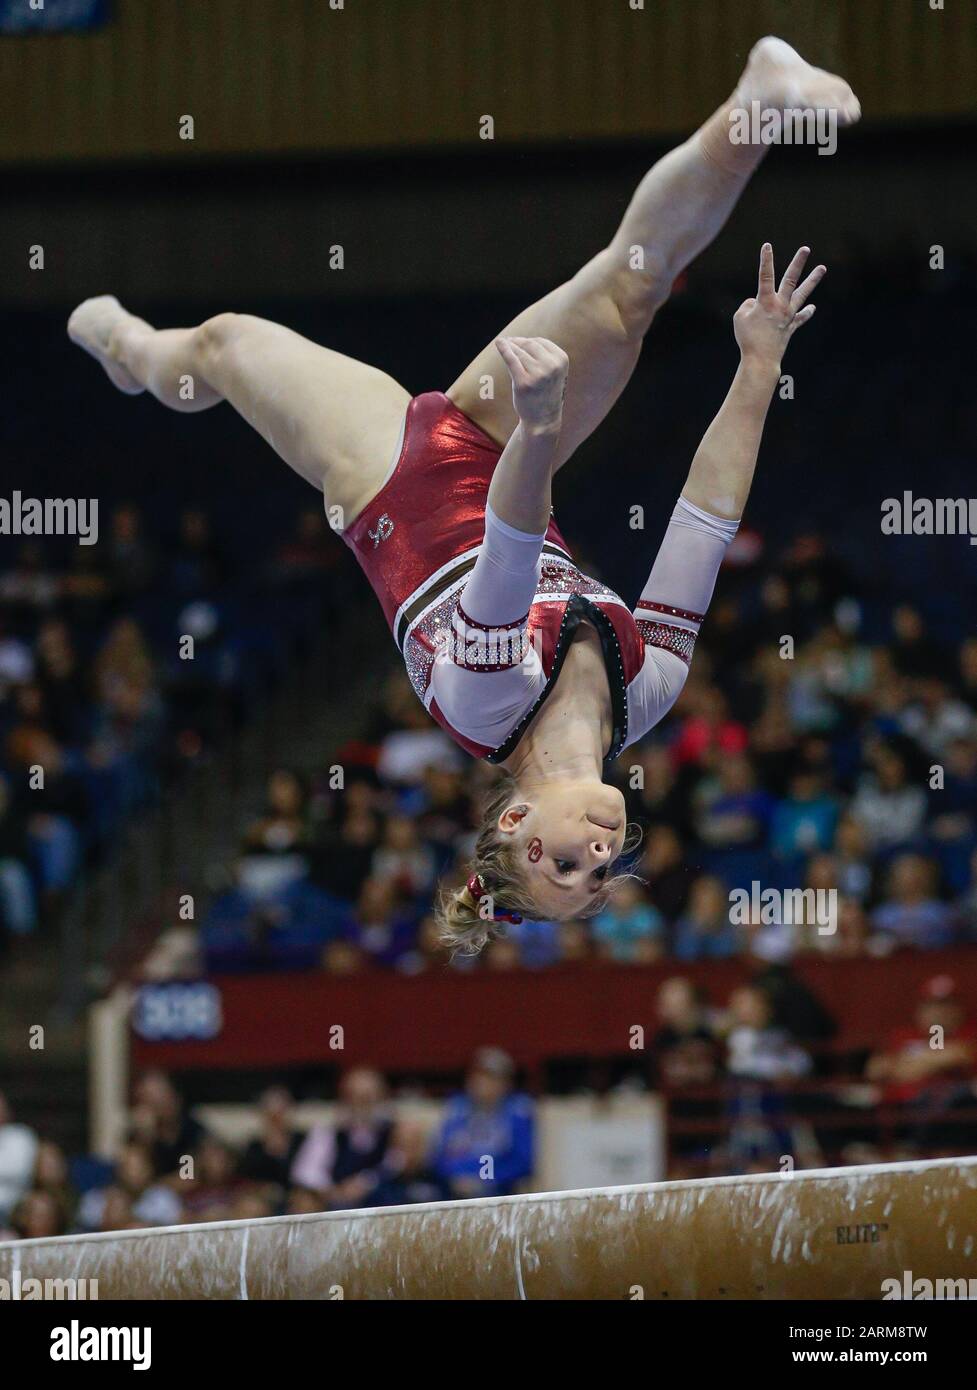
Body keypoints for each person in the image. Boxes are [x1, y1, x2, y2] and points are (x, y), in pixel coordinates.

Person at [66, 38, 857, 942]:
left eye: (563, 867)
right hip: (498, 450)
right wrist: (757, 364)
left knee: (222, 342)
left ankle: (135, 357)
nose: (598, 855)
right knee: (629, 289)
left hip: (387, 481)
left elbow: (511, 540)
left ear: (514, 824)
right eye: (600, 876)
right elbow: (703, 522)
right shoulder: (649, 690)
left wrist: (543, 423)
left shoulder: (487, 701)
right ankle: (756, 102)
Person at [431, 1047, 534, 1198]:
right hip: (454, 1189)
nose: (482, 1083)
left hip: (499, 1192)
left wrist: (485, 1179)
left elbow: (522, 1162)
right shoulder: (456, 1109)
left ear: (506, 1082)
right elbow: (440, 1156)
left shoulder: (518, 1111)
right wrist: (458, 1176)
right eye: (478, 1076)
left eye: (491, 1077)